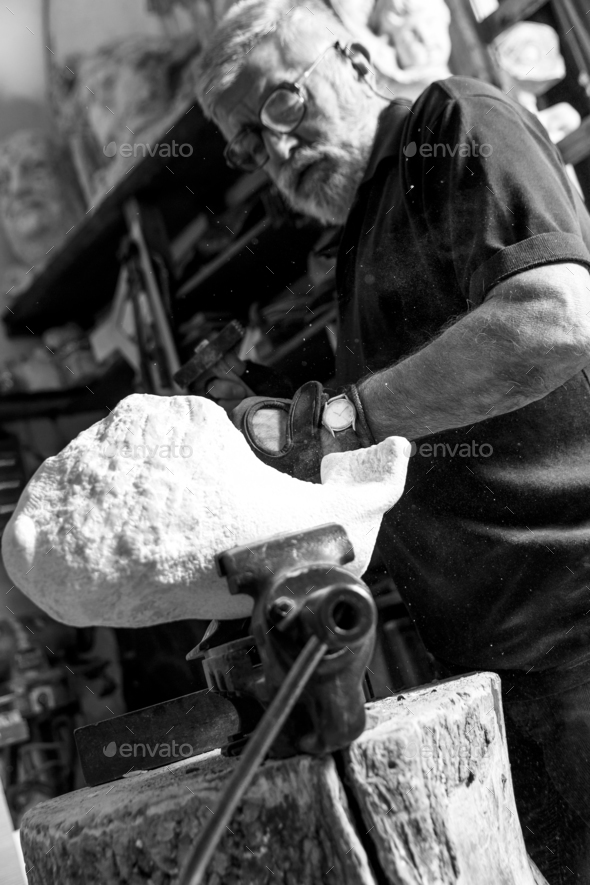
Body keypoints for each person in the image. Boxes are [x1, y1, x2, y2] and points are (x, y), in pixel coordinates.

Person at [195, 1, 590, 880]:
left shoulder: (455, 122)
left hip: (575, 623)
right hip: (496, 659)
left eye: (285, 106)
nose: (276, 148)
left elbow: (553, 318)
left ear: (357, 60)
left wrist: (343, 419)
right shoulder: (358, 240)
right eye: (249, 143)